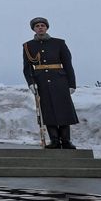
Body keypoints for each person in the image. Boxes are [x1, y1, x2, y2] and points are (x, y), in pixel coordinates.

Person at [23, 17, 78, 149]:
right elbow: (27, 67)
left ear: (47, 27)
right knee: (47, 111)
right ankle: (54, 140)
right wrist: (31, 82)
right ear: (34, 29)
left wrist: (71, 84)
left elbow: (67, 64)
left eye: (42, 25)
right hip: (41, 82)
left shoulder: (59, 43)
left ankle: (66, 140)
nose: (40, 27)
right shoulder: (28, 46)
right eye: (37, 26)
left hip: (59, 81)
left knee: (63, 110)